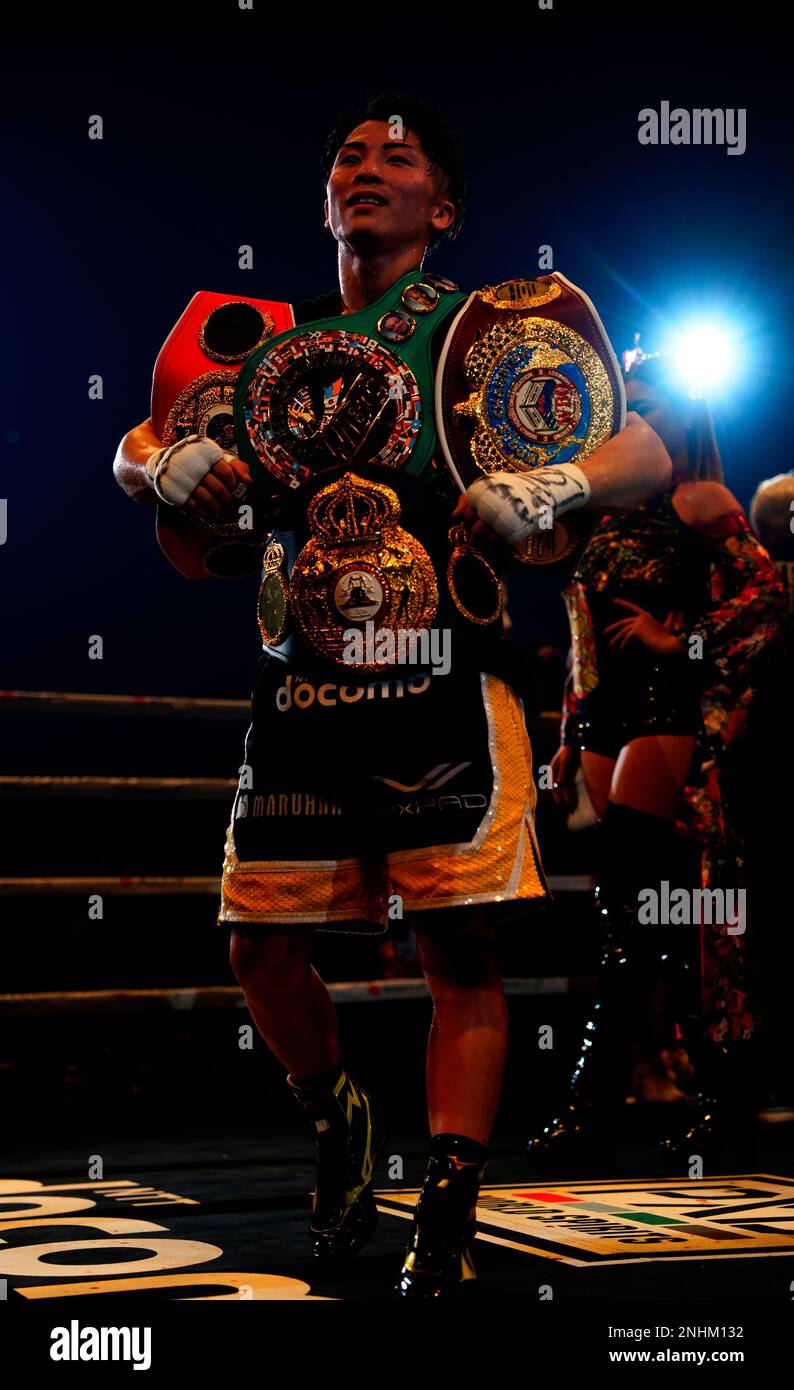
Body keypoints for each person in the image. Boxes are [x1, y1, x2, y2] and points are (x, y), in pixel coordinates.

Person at [112, 92, 670, 1296]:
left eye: (397, 157)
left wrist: (558, 481)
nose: (368, 169)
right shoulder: (265, 345)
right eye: (348, 158)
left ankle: (451, 1209)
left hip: (446, 678)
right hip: (302, 690)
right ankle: (338, 1115)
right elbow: (131, 440)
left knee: (453, 951)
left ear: (444, 207)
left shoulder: (483, 330)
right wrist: (164, 460)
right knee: (258, 950)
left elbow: (647, 453)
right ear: (324, 201)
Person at [533, 352, 788, 1170]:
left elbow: (768, 599)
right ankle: (680, 1096)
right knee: (637, 921)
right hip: (607, 717)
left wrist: (679, 643)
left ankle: (626, 1100)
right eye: (626, 406)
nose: (635, 416)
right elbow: (581, 643)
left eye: (649, 404)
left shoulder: (698, 499)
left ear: (684, 418)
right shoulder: (604, 518)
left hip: (670, 710)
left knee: (661, 918)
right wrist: (569, 737)